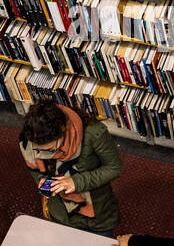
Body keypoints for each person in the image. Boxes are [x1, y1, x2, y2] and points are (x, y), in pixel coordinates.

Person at [19, 98, 122, 235]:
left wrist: (75, 182)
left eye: (51, 150)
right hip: (61, 212)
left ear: (63, 130)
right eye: (38, 150)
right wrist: (42, 181)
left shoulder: (93, 133)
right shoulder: (29, 137)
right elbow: (35, 170)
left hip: (96, 212)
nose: (44, 155)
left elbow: (114, 168)